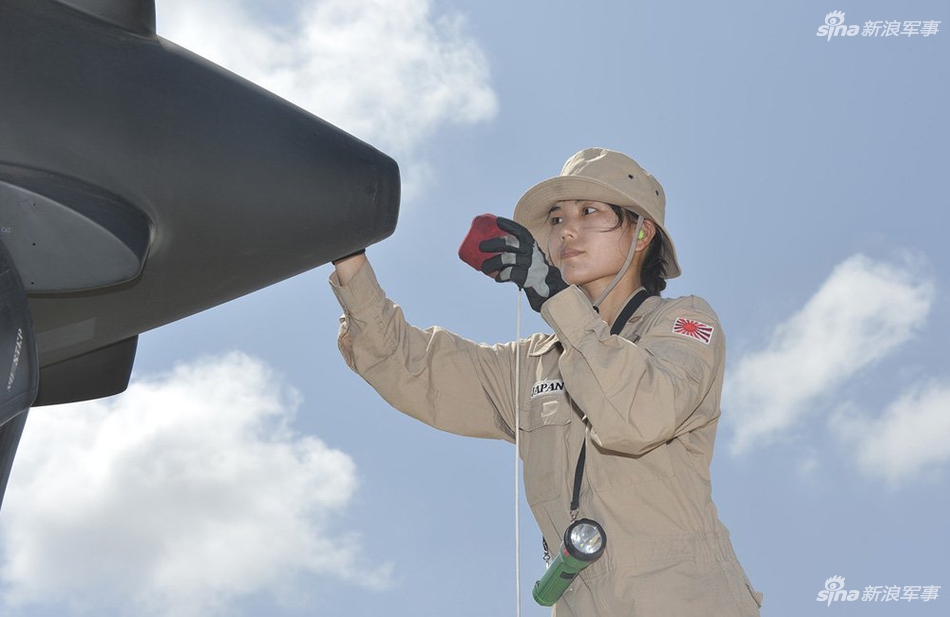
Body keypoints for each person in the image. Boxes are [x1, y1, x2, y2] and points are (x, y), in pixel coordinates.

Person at [329, 148, 763, 616]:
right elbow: (407, 364)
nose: (566, 230)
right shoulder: (535, 364)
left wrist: (552, 297)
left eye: (589, 212)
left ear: (642, 232)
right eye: (556, 219)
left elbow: (639, 416)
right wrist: (348, 254)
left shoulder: (683, 321)